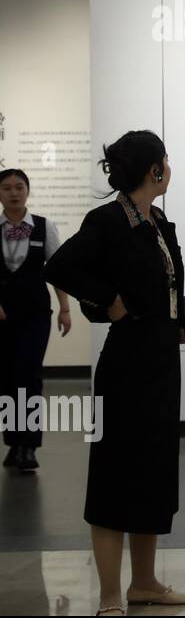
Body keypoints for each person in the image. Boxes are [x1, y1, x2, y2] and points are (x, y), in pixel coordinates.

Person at [42, 131, 185, 615]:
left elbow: (169, 282)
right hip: (127, 364)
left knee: (153, 471)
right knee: (115, 474)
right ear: (153, 169)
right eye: (165, 162)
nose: (169, 169)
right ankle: (111, 596)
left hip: (160, 361)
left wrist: (182, 321)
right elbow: (61, 266)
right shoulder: (108, 220)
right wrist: (108, 302)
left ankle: (145, 583)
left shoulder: (159, 223)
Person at [1, 169, 72, 472]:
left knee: (28, 377)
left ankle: (29, 446)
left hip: (35, 315)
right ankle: (13, 443)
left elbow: (57, 270)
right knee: (6, 378)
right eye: (6, 188)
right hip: (2, 316)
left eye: (19, 187)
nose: (14, 193)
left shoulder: (44, 227)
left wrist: (65, 308)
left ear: (28, 191)